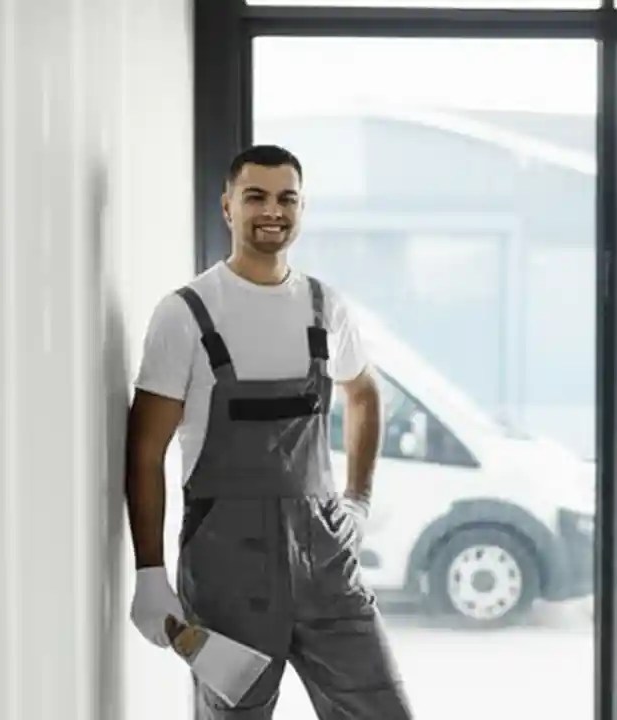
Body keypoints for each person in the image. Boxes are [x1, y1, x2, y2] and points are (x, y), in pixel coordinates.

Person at [124, 145, 414, 719]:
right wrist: (149, 571)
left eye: (287, 198)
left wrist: (356, 500)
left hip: (326, 562)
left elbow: (364, 392)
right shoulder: (185, 313)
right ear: (228, 206)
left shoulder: (324, 305)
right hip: (227, 571)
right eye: (255, 196)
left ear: (302, 208)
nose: (272, 210)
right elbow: (144, 450)